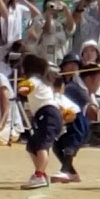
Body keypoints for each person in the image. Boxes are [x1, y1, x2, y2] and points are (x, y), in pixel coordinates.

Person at [18, 54, 62, 190]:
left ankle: (39, 175)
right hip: (47, 115)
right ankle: (41, 173)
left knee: (42, 145)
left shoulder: (35, 80)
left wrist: (21, 89)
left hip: (48, 114)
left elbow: (28, 86)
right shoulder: (43, 82)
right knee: (32, 144)